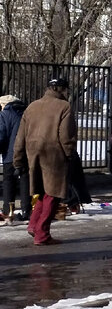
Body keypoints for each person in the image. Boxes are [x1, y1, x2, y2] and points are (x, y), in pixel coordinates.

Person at [12, 76, 76, 245]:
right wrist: (70, 155)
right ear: (61, 89)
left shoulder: (32, 106)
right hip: (54, 155)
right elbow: (66, 136)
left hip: (33, 154)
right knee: (53, 195)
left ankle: (33, 226)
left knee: (42, 193)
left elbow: (20, 137)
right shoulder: (64, 107)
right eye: (66, 89)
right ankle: (42, 234)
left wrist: (18, 159)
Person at [0, 94, 30, 224]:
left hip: (10, 154)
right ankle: (26, 210)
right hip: (26, 153)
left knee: (8, 181)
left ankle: (8, 209)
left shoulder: (5, 114)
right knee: (25, 181)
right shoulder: (27, 112)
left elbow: (2, 134)